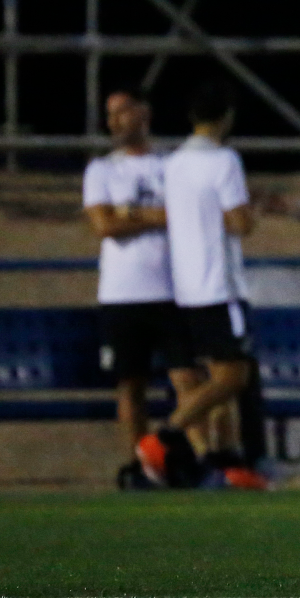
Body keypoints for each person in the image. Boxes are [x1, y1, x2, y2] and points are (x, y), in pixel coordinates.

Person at [135, 81, 267, 491]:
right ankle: (165, 437)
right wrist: (254, 209)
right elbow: (239, 222)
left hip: (186, 287)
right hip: (219, 285)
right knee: (233, 378)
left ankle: (226, 462)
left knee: (221, 377)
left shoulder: (173, 162)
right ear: (226, 116)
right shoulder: (224, 159)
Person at [84, 90, 203, 488]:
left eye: (121, 112)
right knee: (131, 385)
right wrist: (155, 216)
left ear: (144, 114)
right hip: (121, 293)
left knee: (188, 381)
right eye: (109, 114)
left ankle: (195, 460)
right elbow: (104, 226)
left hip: (173, 292)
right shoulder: (101, 170)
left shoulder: (171, 164)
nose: (114, 121)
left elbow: (185, 215)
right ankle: (142, 466)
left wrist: (130, 213)